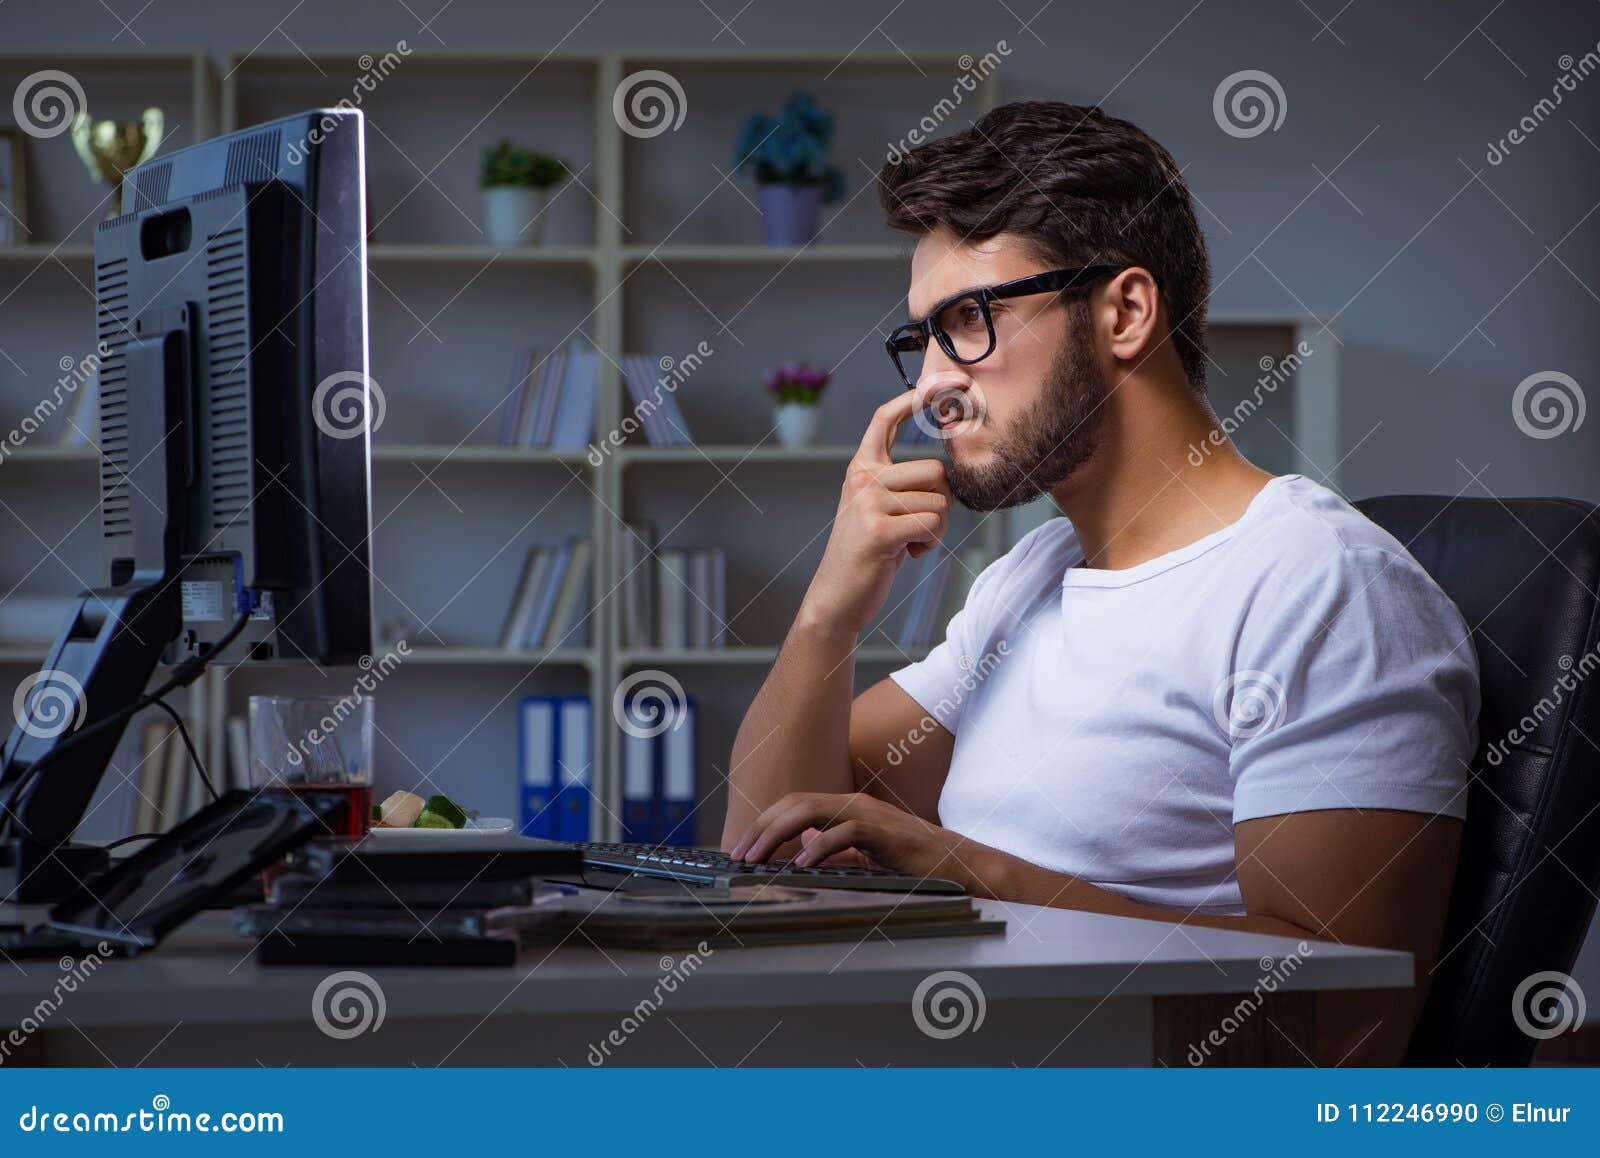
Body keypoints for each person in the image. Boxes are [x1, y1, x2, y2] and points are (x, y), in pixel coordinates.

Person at [721, 101, 1479, 1065]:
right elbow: (765, 856)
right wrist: (828, 616)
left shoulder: (1323, 587)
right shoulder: (1031, 574)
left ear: (1124, 312)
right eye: (926, 339)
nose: (933, 389)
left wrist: (968, 872)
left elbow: (1338, 1024)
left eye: (971, 320)